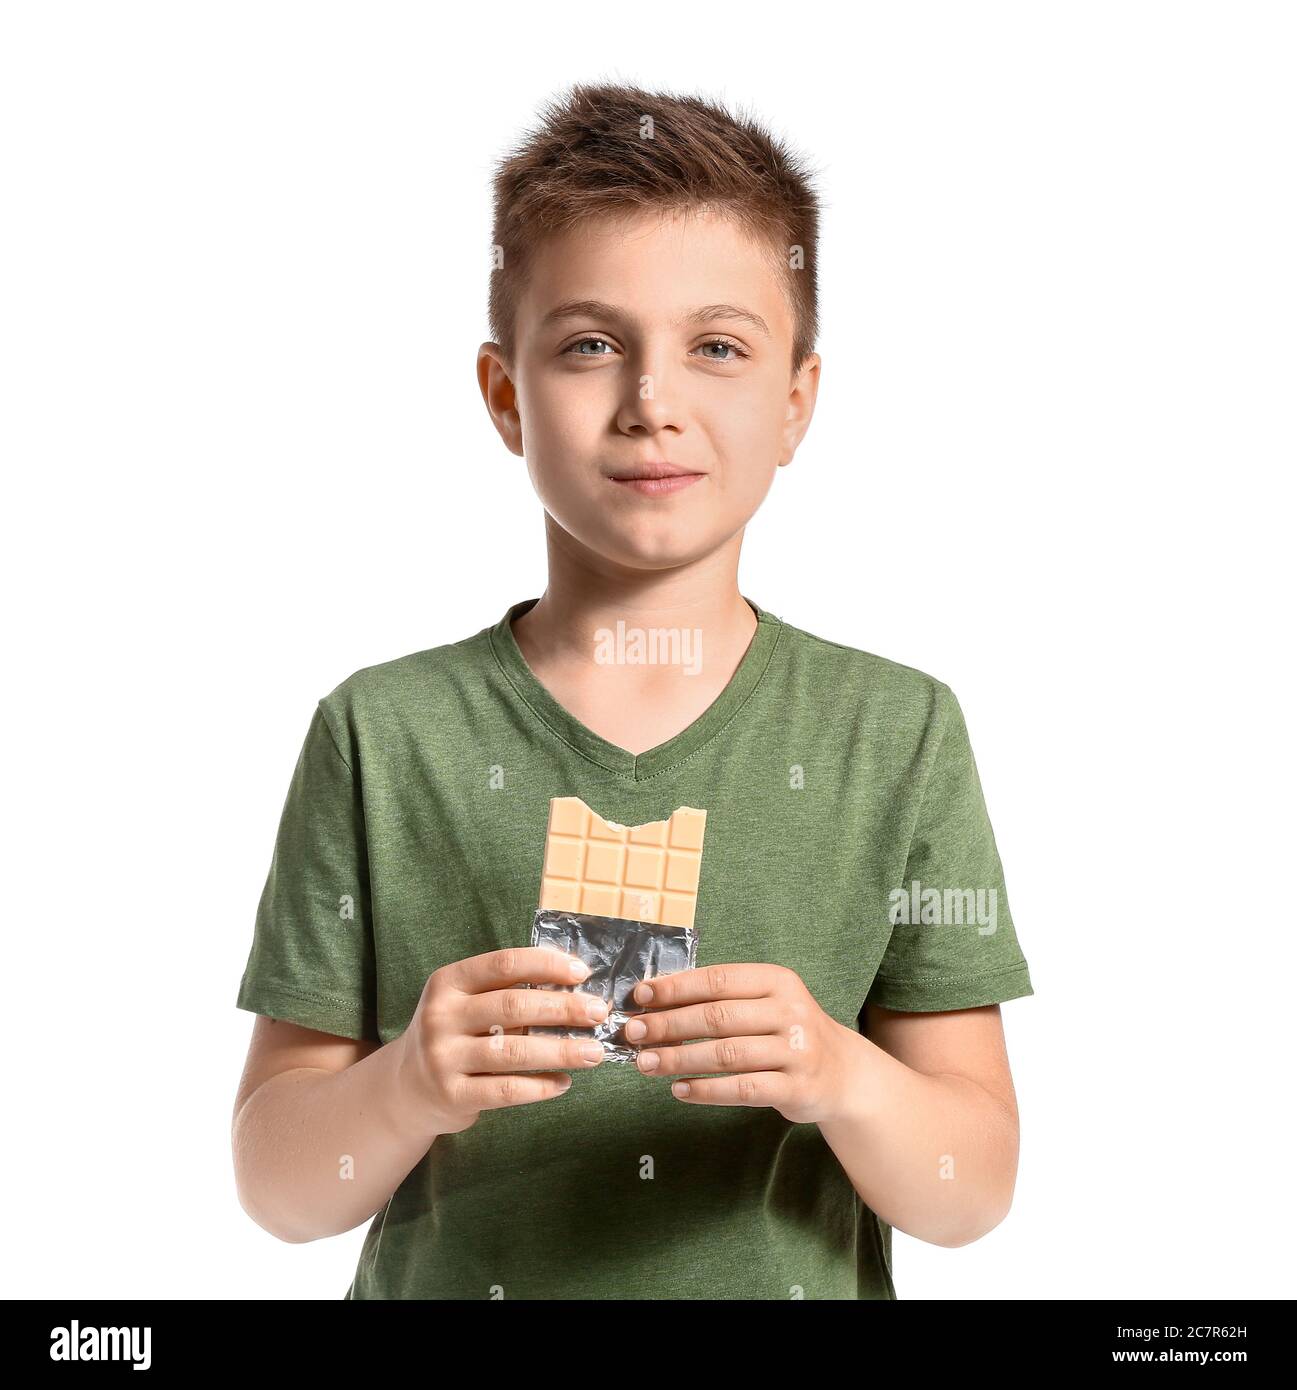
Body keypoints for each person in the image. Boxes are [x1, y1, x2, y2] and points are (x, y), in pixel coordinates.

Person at [232, 80, 1034, 1300]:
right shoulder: (380, 732)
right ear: (506, 397)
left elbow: (969, 1189)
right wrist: (406, 1082)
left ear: (794, 405)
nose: (652, 401)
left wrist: (834, 1069)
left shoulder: (899, 733)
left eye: (717, 347)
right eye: (591, 344)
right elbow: (278, 1188)